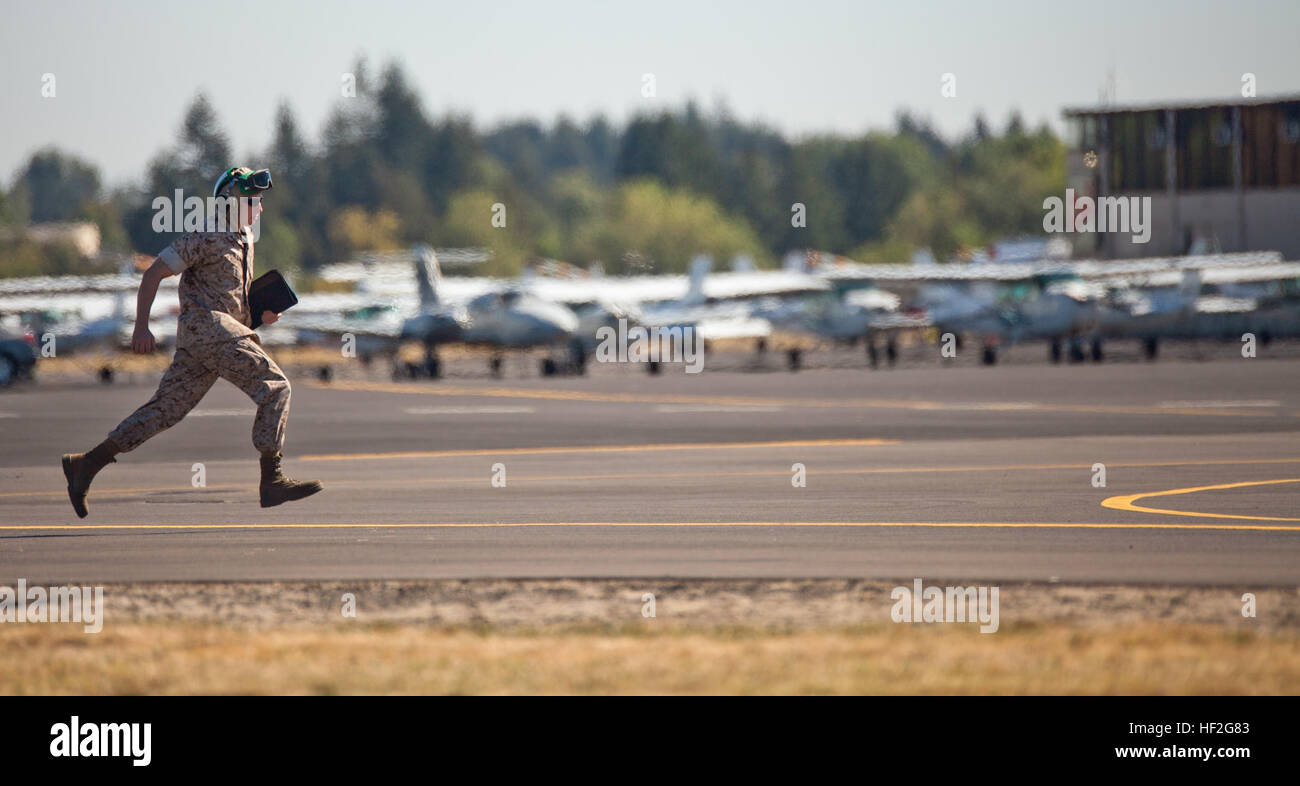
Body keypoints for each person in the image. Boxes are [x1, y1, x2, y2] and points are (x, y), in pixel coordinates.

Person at [61, 166, 322, 517]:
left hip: (214, 335)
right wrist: (141, 327)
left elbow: (233, 303)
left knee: (166, 411)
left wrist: (261, 317)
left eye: (259, 201)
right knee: (275, 388)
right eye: (252, 200)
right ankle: (271, 479)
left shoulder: (243, 239)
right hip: (207, 329)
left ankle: (86, 465)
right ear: (231, 201)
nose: (259, 208)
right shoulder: (206, 234)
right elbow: (154, 272)